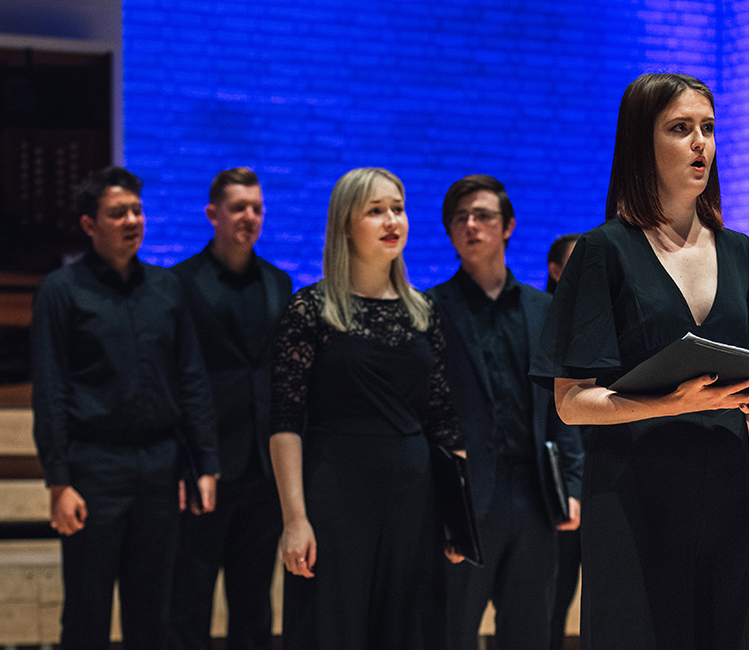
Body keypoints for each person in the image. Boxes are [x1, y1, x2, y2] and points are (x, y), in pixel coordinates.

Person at [531, 72, 749, 650]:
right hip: (632, 493)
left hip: (724, 492)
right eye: (680, 129)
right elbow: (571, 405)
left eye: (708, 128)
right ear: (640, 144)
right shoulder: (603, 251)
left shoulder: (742, 253)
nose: (701, 143)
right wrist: (669, 403)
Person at [268, 167, 463, 650]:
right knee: (333, 628)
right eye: (375, 211)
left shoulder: (424, 311)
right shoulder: (309, 309)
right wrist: (295, 519)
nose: (391, 220)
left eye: (397, 208)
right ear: (344, 225)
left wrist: (460, 521)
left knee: (410, 629)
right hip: (335, 493)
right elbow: (284, 421)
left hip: (415, 498)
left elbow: (444, 423)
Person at [30, 165, 219, 649]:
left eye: (137, 210)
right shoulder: (62, 290)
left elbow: (192, 379)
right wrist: (58, 480)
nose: (133, 220)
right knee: (88, 613)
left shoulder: (166, 289)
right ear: (90, 225)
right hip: (95, 467)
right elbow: (50, 389)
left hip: (160, 466)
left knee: (153, 612)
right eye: (118, 213)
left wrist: (205, 464)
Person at [428, 175, 584, 650]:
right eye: (460, 219)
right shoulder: (429, 309)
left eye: (483, 216)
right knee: (450, 631)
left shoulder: (543, 310)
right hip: (467, 501)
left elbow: (564, 400)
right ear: (450, 233)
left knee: (531, 633)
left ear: (508, 226)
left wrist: (572, 485)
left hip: (535, 497)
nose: (472, 226)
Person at [169, 167, 293, 650]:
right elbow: (177, 381)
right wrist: (189, 460)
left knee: (255, 602)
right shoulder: (179, 283)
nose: (250, 217)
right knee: (189, 600)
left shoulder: (279, 283)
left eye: (257, 208)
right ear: (212, 214)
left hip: (264, 469)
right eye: (239, 207)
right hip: (207, 467)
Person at [544, 232, 584, 650]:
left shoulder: (611, 319)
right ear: (555, 272)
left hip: (605, 477)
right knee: (548, 603)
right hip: (559, 485)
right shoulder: (545, 323)